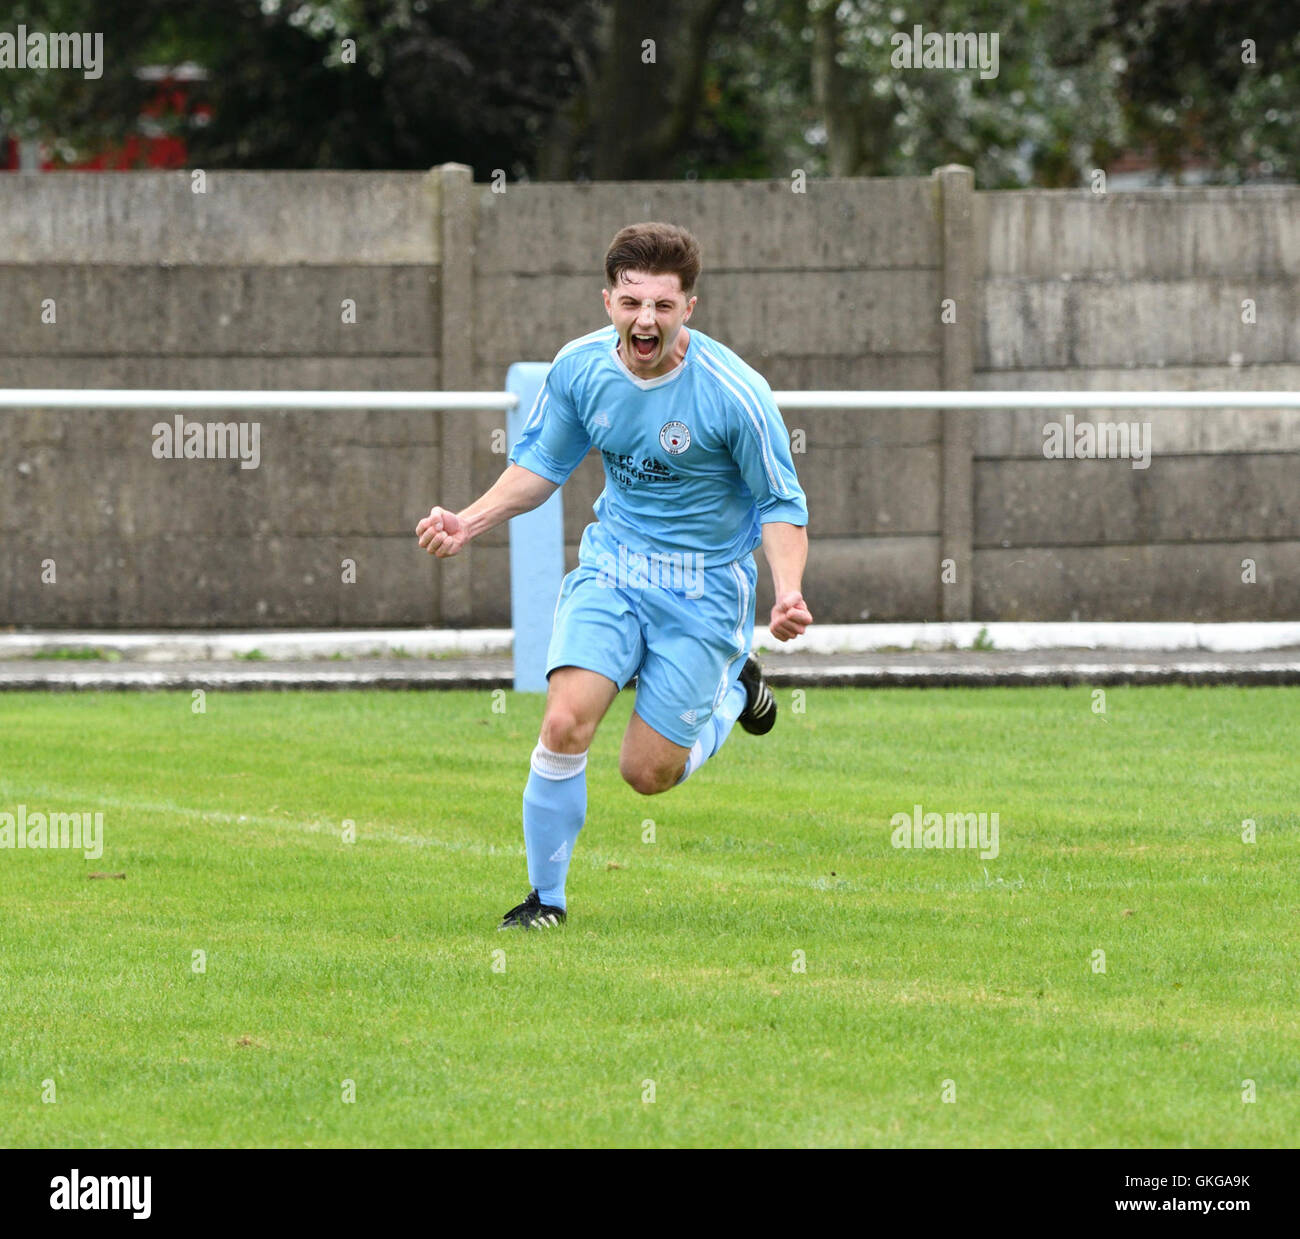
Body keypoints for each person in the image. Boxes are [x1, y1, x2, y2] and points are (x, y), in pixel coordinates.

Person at [416, 221, 812, 930]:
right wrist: (468, 522)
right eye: (632, 303)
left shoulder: (735, 392)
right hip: (614, 569)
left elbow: (782, 503)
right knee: (564, 720)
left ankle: (736, 690)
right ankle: (546, 901)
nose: (646, 320)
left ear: (689, 308)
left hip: (704, 589)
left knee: (646, 772)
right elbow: (541, 466)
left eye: (663, 305)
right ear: (609, 302)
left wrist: (787, 592)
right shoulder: (580, 368)